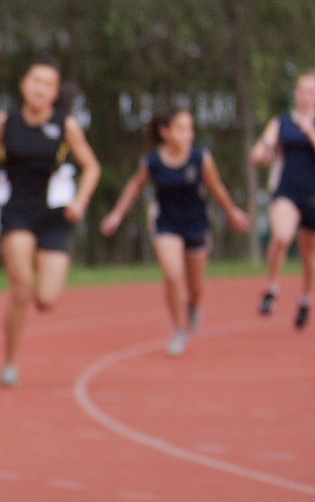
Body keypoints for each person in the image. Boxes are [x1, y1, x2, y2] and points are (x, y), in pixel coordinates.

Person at [0, 59, 100, 387]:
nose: (40, 89)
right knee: (21, 285)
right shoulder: (6, 122)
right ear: (23, 84)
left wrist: (80, 202)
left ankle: (44, 285)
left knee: (46, 299)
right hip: (17, 211)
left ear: (55, 93)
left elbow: (92, 167)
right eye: (35, 81)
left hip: (55, 215)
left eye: (48, 84)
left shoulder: (66, 125)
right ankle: (10, 363)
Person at [100, 108, 251, 355]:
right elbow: (135, 187)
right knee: (173, 275)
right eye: (181, 129)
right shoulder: (152, 162)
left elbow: (217, 188)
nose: (188, 134)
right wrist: (117, 215)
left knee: (195, 287)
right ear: (165, 132)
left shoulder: (201, 158)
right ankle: (179, 329)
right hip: (166, 224)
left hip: (196, 224)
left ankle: (194, 307)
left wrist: (232, 212)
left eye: (190, 129)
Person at [251, 70, 315, 328]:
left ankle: (305, 299)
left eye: (311, 92)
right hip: (286, 190)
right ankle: (272, 288)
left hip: (312, 194)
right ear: (295, 93)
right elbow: (261, 148)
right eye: (302, 91)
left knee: (308, 253)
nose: (305, 96)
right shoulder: (282, 123)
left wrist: (310, 132)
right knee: (281, 236)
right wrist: (261, 154)